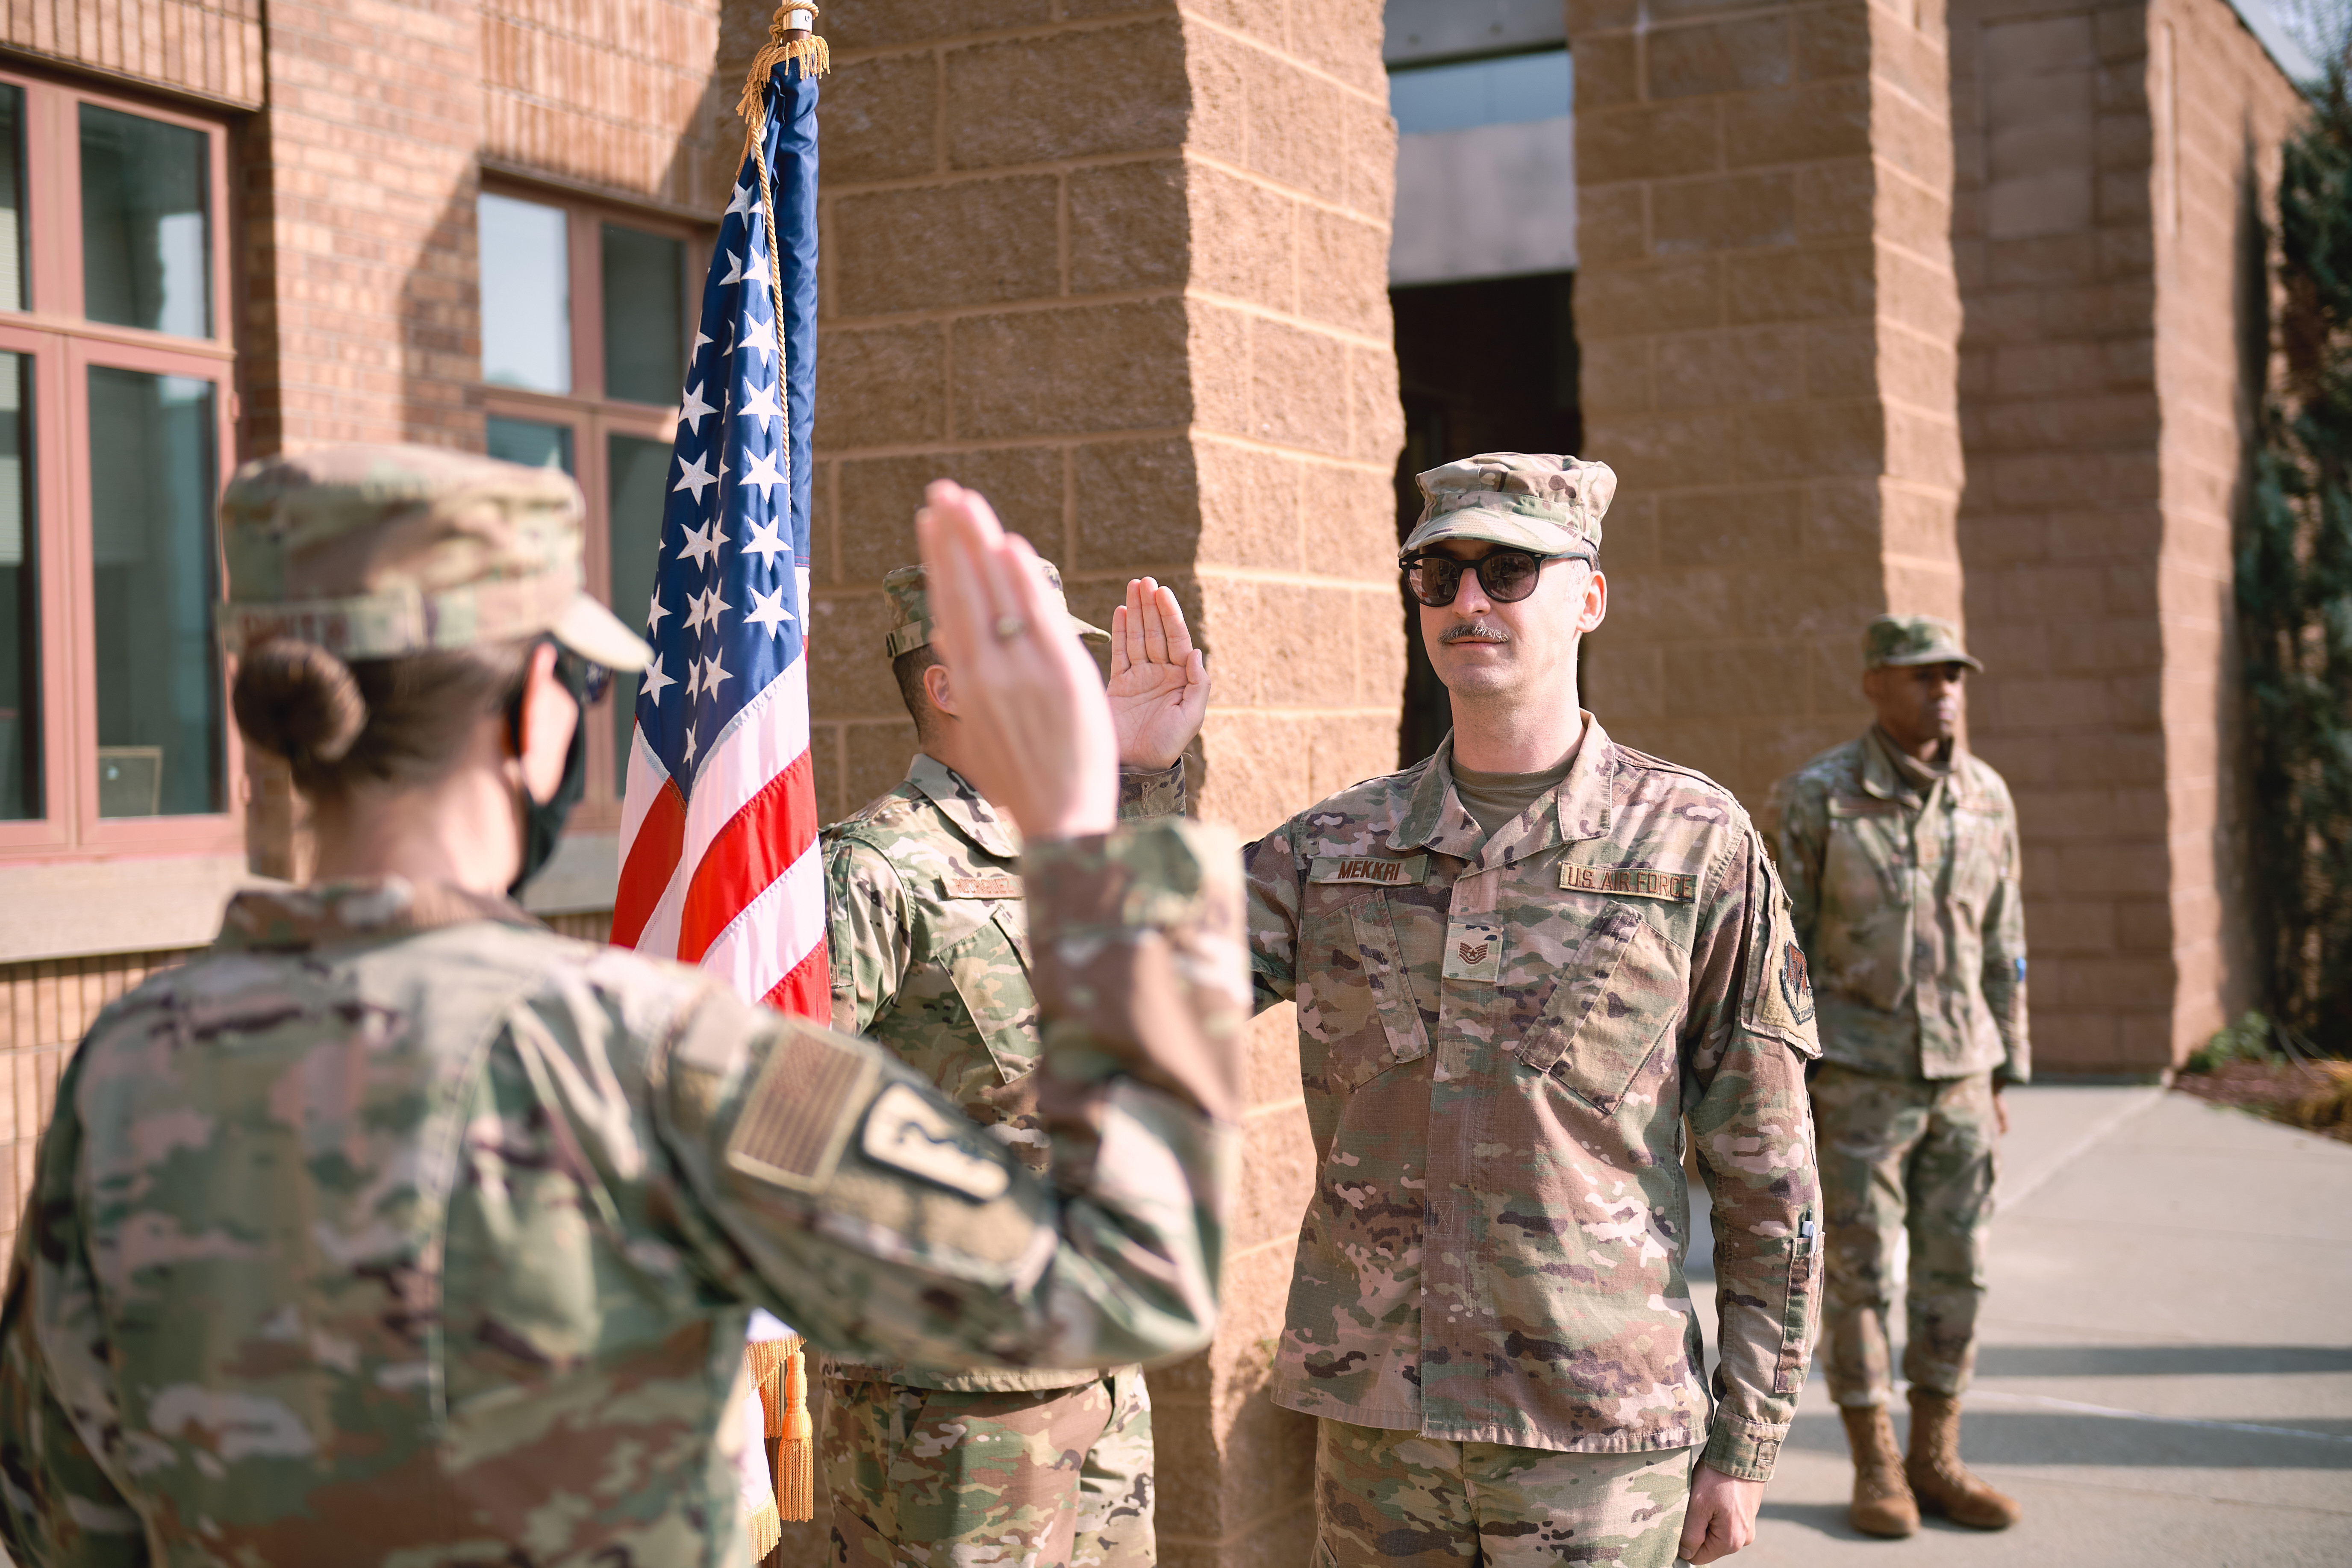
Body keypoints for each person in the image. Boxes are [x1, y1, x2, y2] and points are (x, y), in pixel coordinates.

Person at [0, 447, 1246, 1563]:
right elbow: (1128, 1274)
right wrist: (1090, 841)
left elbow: (63, 1512)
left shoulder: (126, 1065)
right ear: (534, 711)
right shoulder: (660, 1051)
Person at [1236, 453, 1824, 1567]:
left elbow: (1769, 1167)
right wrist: (1121, 775)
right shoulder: (1335, 848)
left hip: (1599, 1440)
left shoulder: (1695, 842)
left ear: (1587, 597)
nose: (1469, 601)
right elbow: (1127, 988)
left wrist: (1747, 1440)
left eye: (1509, 571)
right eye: (1438, 572)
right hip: (1381, 1434)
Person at [818, 561, 1208, 1568]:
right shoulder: (875, 868)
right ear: (945, 687)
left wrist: (1142, 770)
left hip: (1101, 1372)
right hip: (950, 1408)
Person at [1763, 615, 2028, 1538]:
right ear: (1875, 681)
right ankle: (1876, 1462)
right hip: (1860, 1078)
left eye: (1953, 673)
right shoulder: (1817, 798)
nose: (1942, 689)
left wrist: (2009, 1066)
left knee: (1958, 1270)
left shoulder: (1986, 796)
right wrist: (1790, 1076)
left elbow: (2006, 940)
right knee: (1862, 1274)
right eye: (1921, 675)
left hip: (1962, 1069)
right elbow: (1779, 949)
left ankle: (1936, 1454)